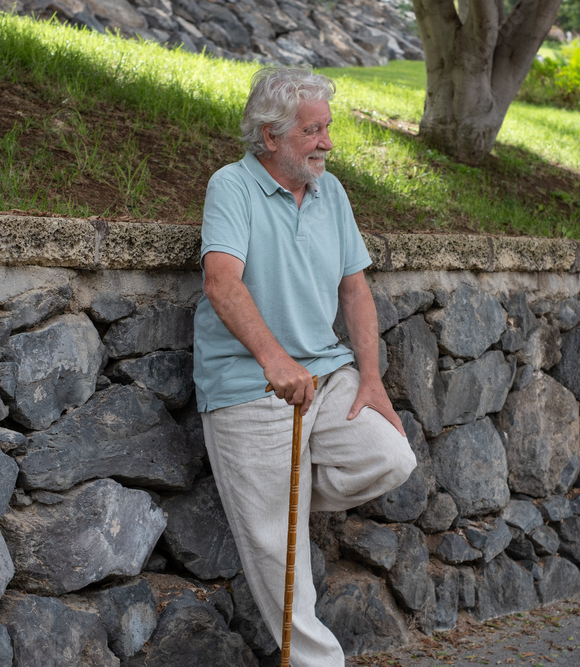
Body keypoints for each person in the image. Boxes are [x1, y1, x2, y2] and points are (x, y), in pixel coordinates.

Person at [192, 66, 417, 666]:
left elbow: (355, 291)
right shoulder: (231, 187)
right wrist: (274, 361)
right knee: (278, 558)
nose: (327, 142)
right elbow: (221, 282)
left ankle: (273, 497)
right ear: (270, 136)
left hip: (328, 376)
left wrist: (370, 378)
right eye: (312, 131)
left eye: (328, 128)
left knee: (392, 456)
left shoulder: (332, 192)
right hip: (249, 388)